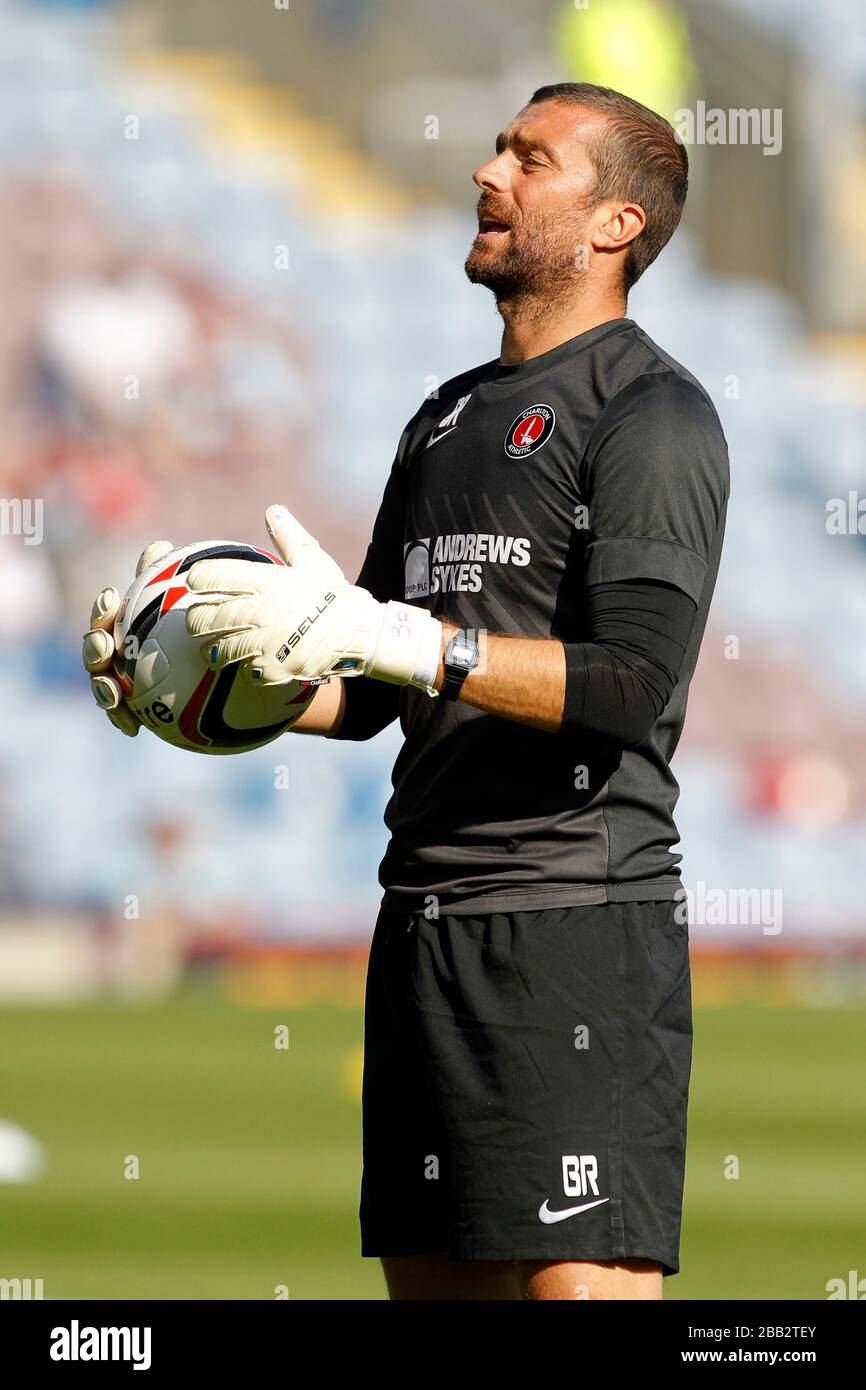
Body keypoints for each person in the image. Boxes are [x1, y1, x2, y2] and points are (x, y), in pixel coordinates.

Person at [83, 83, 729, 1301]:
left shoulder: (653, 413)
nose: (488, 173)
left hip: (572, 933)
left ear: (613, 224)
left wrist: (412, 644)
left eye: (530, 161)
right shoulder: (442, 418)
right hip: (420, 929)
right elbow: (369, 684)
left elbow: (631, 684)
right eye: (497, 148)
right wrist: (197, 693)